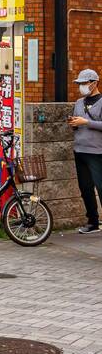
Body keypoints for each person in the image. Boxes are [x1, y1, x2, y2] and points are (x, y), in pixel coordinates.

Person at [68, 67, 102, 233]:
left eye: (84, 83)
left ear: (94, 83)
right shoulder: (79, 103)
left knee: (100, 187)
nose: (80, 86)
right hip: (80, 150)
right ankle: (93, 221)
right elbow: (78, 123)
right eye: (79, 83)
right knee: (85, 188)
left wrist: (86, 122)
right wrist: (75, 123)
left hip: (97, 152)